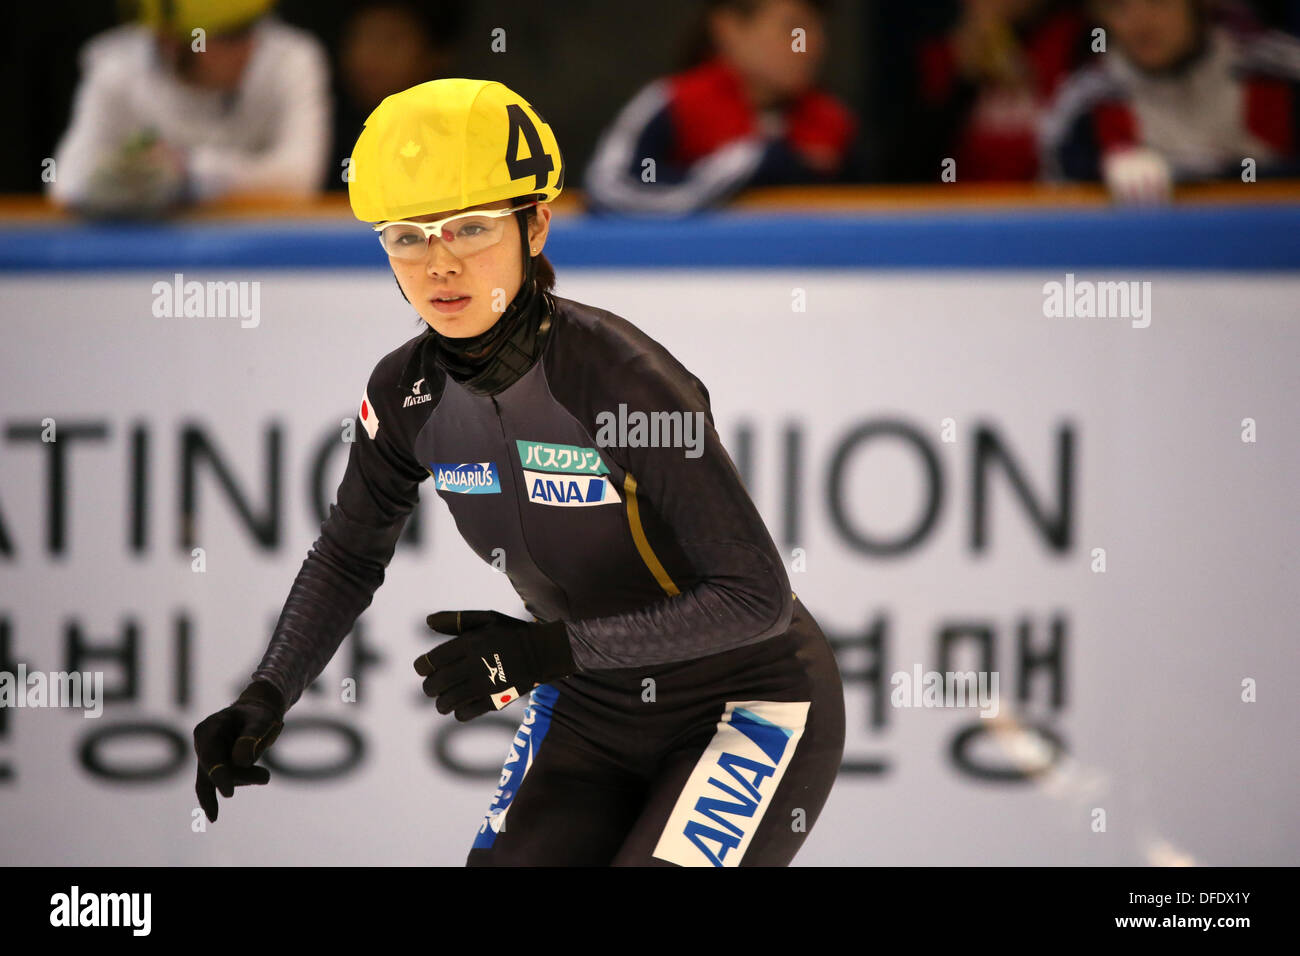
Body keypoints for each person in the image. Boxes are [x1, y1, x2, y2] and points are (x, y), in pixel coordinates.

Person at [192, 78, 846, 867]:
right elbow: (349, 554)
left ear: (534, 224)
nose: (439, 264)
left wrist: (546, 652)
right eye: (407, 237)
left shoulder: (622, 381)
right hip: (592, 707)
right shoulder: (404, 394)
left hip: (743, 705)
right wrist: (267, 693)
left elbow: (756, 598)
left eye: (468, 228)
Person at [46, 0, 330, 217]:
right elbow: (64, 182)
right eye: (230, 35)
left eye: (252, 27)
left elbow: (300, 177)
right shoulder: (117, 68)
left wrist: (190, 173)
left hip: (258, 256)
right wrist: (117, 180)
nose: (250, 48)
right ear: (169, 41)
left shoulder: (291, 58)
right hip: (151, 261)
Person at [583, 0, 860, 214]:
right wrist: (748, 164)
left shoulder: (832, 121)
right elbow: (607, 190)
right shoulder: (672, 103)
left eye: (818, 29)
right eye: (793, 28)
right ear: (729, 28)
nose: (811, 45)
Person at [1040, 0, 1300, 202]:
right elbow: (1060, 207)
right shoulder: (1085, 103)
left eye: (1158, 1)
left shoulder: (1280, 72)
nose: (1140, 22)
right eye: (1118, 5)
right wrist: (1100, 178)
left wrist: (1186, 178)